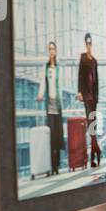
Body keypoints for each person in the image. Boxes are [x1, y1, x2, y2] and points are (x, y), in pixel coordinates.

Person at [35, 41, 63, 174]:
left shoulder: (58, 67)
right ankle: (52, 165)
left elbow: (61, 85)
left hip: (58, 106)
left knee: (58, 136)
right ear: (48, 51)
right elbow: (42, 84)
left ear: (56, 52)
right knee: (51, 136)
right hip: (49, 106)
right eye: (50, 49)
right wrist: (40, 94)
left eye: (54, 49)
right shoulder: (45, 68)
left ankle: (57, 165)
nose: (52, 51)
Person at [77, 32, 101, 168]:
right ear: (85, 44)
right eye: (87, 43)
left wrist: (97, 96)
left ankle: (95, 153)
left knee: (93, 125)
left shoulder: (94, 61)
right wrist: (79, 91)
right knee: (91, 124)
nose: (88, 45)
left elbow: (96, 79)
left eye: (90, 43)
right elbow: (80, 75)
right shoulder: (83, 58)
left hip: (94, 98)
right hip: (86, 96)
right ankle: (95, 153)